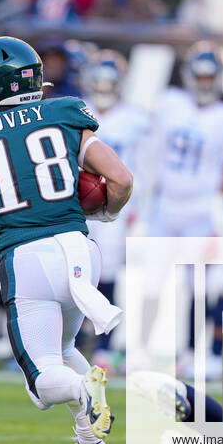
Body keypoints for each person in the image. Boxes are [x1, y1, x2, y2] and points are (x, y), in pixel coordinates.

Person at [0, 36, 133, 444]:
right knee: (61, 349)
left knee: (42, 382)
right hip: (82, 250)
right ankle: (88, 440)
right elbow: (120, 180)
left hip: (28, 257)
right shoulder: (65, 112)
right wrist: (105, 213)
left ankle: (85, 391)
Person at [144, 46, 223, 381]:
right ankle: (139, 349)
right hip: (165, 204)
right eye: (199, 76)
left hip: (201, 208)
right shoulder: (170, 104)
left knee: (200, 285)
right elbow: (153, 152)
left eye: (209, 77)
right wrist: (144, 197)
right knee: (152, 280)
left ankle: (190, 352)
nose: (203, 83)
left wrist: (220, 202)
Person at [80, 50, 151, 371]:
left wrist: (135, 204)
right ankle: (75, 339)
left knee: (106, 274)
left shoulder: (136, 119)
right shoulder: (75, 111)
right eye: (99, 81)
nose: (104, 88)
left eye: (110, 83)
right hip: (77, 204)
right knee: (74, 271)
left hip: (114, 206)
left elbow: (144, 165)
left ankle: (105, 347)